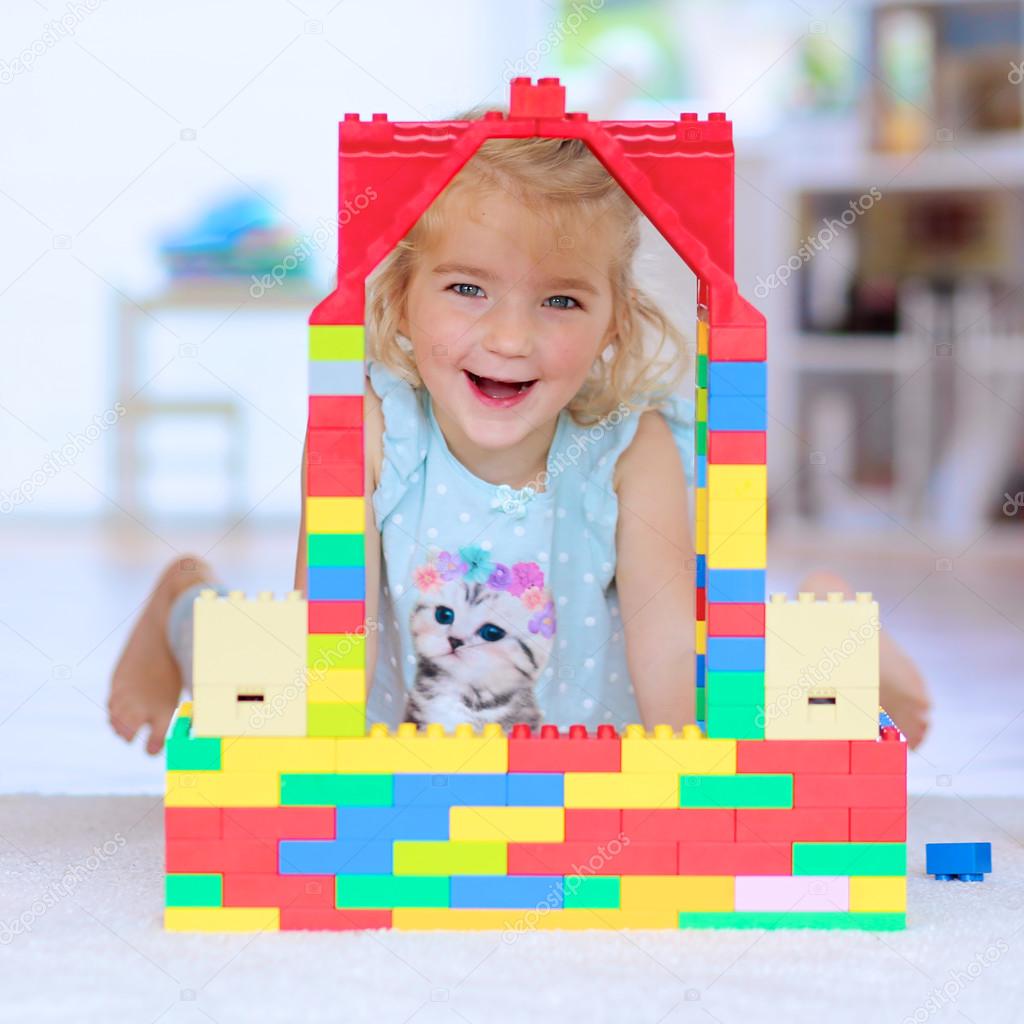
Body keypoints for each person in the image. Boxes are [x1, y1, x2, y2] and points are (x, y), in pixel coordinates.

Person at [108, 113, 930, 753]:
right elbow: (327, 648)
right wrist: (332, 775)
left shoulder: (627, 452)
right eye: (468, 288)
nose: (510, 339)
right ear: (400, 301)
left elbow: (675, 665)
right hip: (383, 721)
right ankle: (185, 599)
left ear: (615, 323)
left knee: (741, 692)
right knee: (266, 689)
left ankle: (828, 631)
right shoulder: (366, 429)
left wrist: (710, 786)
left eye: (561, 301)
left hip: (585, 746)